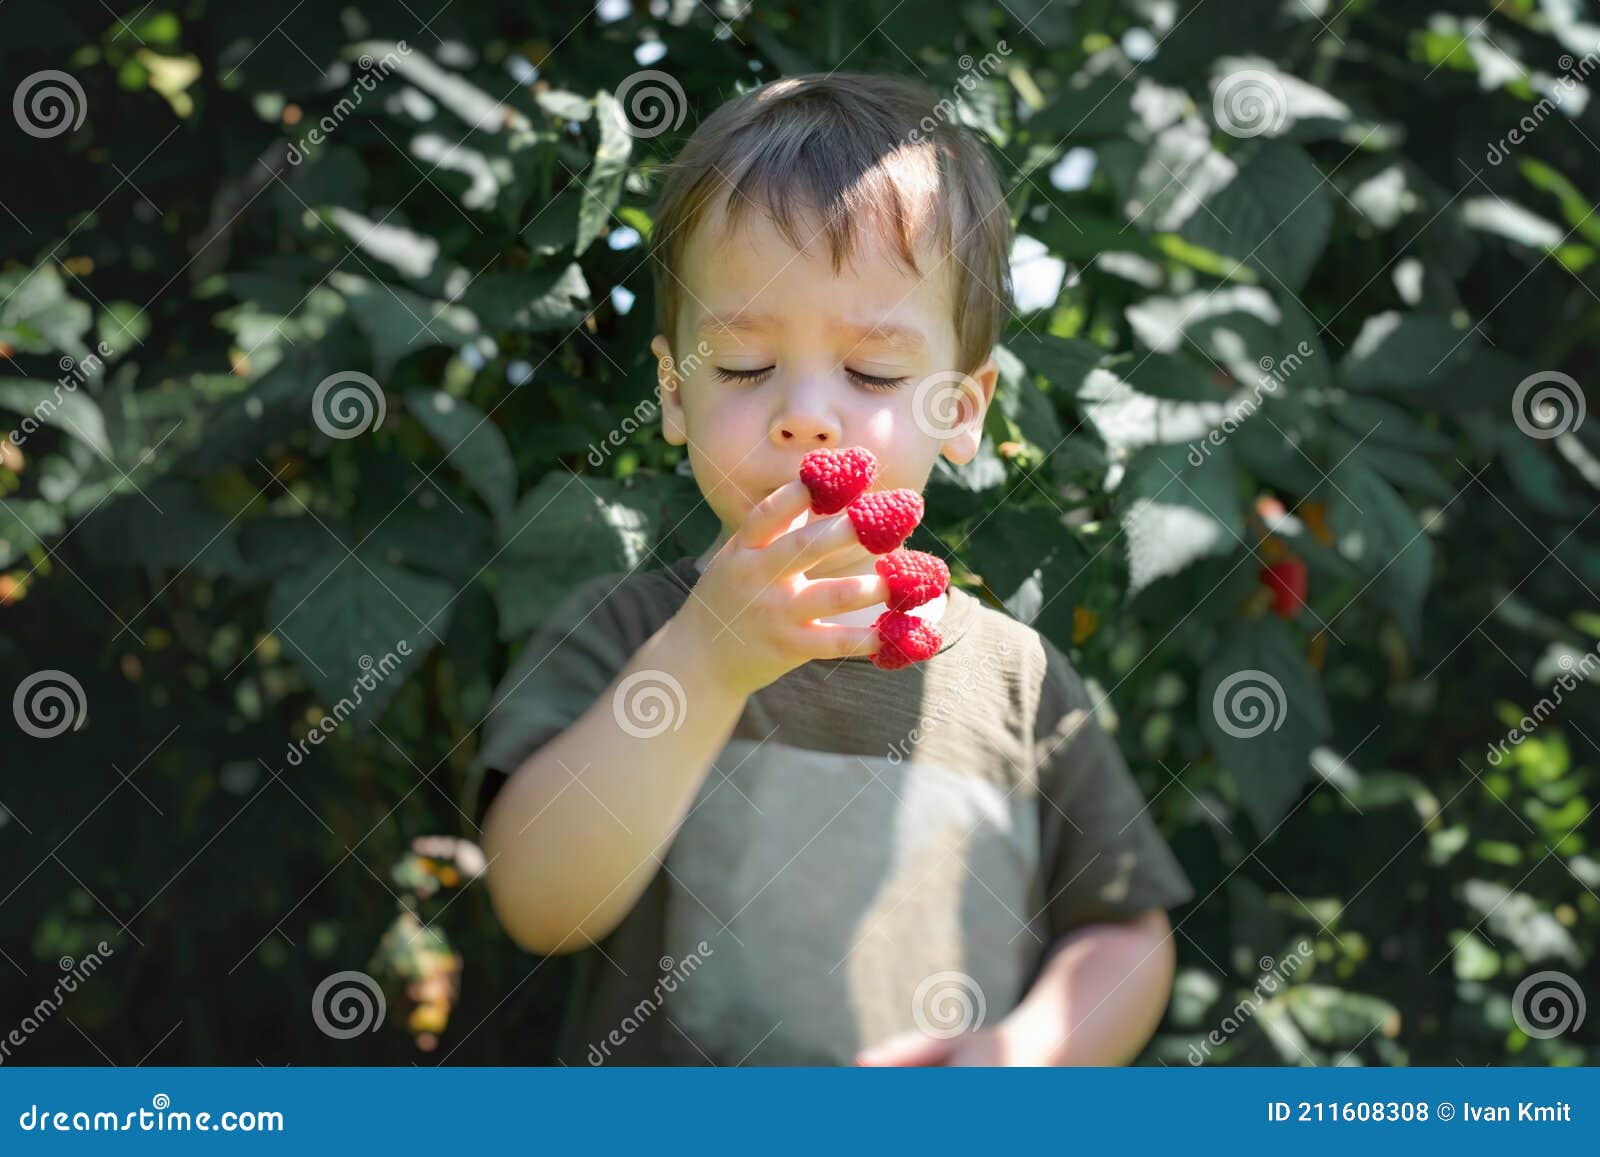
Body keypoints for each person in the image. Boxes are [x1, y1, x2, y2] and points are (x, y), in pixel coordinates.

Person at [469, 71, 1194, 1066]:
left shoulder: (1016, 680)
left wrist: (1027, 1052)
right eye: (740, 365)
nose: (806, 412)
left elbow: (1123, 931)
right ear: (672, 395)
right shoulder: (631, 630)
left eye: (873, 373)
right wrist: (707, 661)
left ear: (963, 410)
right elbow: (539, 900)